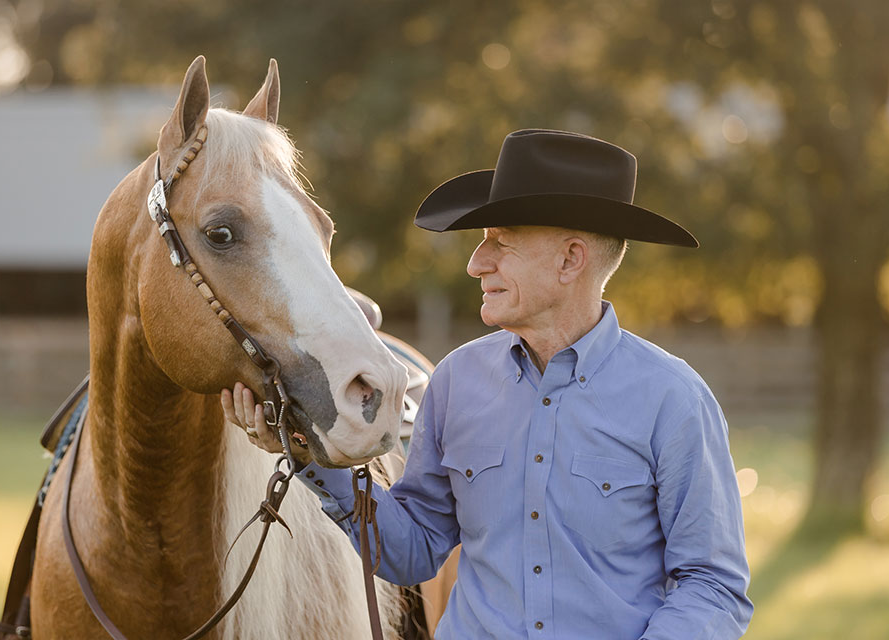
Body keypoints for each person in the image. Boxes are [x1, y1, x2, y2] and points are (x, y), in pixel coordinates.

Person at [223, 129, 751, 639]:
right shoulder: (456, 381)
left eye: (500, 242)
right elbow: (414, 551)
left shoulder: (673, 400)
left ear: (571, 259)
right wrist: (308, 456)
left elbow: (713, 585)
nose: (477, 264)